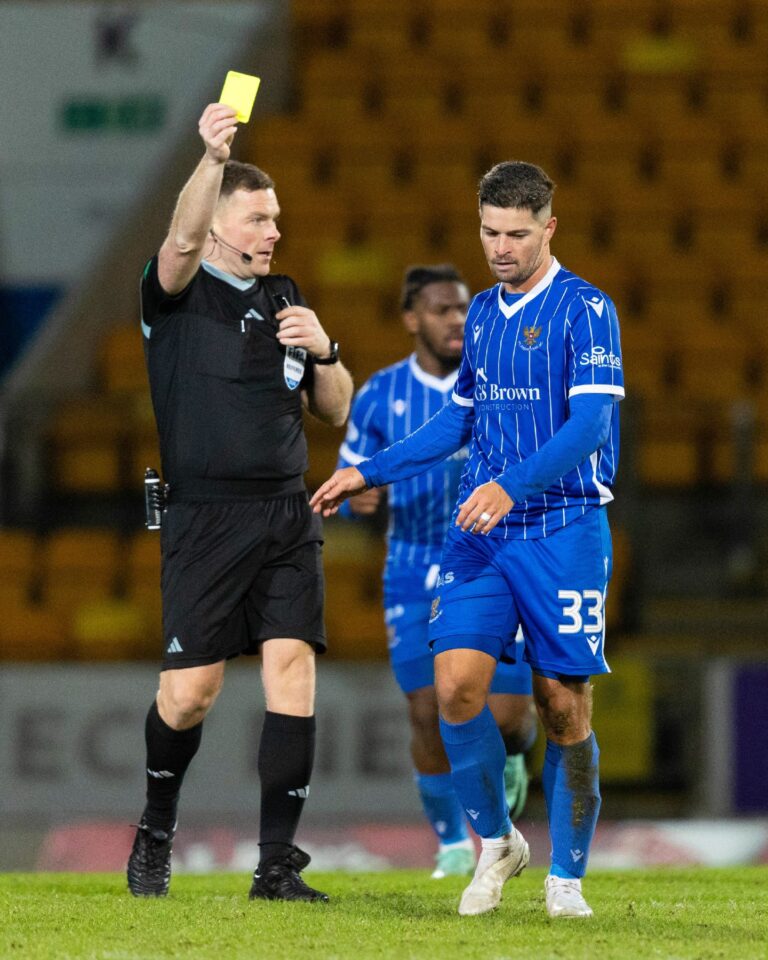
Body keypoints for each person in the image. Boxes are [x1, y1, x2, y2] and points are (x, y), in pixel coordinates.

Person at [311, 161, 624, 919]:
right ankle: (497, 844)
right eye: (490, 232)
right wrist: (366, 471)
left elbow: (590, 426)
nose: (501, 248)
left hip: (564, 528)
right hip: (480, 536)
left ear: (550, 228)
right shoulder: (482, 313)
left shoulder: (586, 310)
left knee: (559, 706)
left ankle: (567, 879)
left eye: (518, 234)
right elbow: (460, 419)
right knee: (453, 688)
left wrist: (511, 484)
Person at [128, 103, 353, 903]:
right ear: (220, 224)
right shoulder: (176, 294)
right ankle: (157, 826)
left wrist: (324, 349)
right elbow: (181, 240)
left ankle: (275, 867)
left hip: (287, 513)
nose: (273, 231)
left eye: (277, 218)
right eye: (258, 216)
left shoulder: (285, 295)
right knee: (191, 693)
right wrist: (210, 158)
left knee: (292, 671)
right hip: (206, 516)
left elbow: (336, 408)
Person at [336, 264, 536, 879]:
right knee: (427, 710)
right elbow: (352, 475)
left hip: (494, 561)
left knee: (502, 719)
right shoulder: (379, 393)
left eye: (462, 309)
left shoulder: (504, 383)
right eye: (441, 310)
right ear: (411, 318)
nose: (455, 320)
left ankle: (512, 752)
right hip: (412, 566)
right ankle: (452, 844)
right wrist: (357, 499)